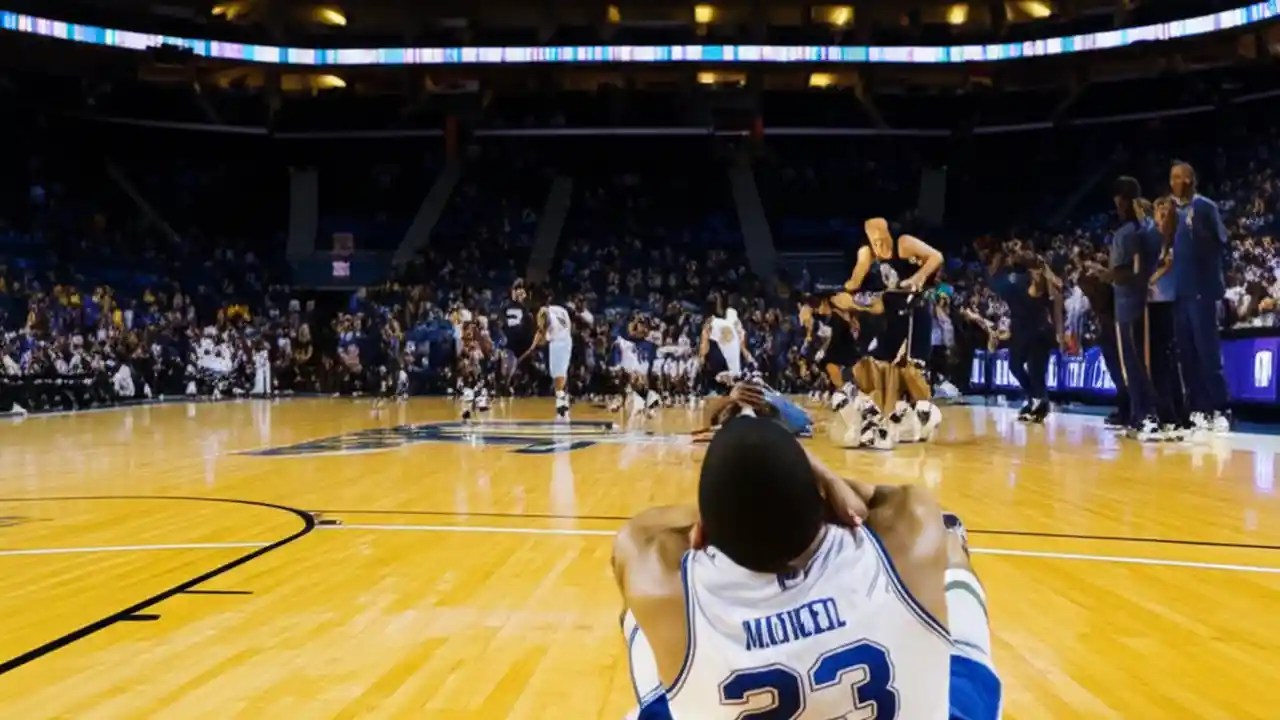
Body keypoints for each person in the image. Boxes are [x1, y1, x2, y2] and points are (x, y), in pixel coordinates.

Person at [613, 417, 1001, 720]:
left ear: (701, 531)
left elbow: (636, 537)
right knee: (949, 542)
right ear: (820, 502)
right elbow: (879, 501)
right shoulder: (908, 530)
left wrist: (727, 505)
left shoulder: (661, 583)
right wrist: (826, 476)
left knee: (640, 617)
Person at [1169, 161, 1231, 434]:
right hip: (1179, 292)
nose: (1175, 182)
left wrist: (1200, 232)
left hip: (1202, 291)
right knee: (1187, 355)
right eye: (1172, 178)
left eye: (1180, 177)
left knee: (1208, 353)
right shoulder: (1171, 211)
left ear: (1192, 180)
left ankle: (1221, 408)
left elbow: (1221, 242)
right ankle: (1198, 409)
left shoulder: (1205, 206)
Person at [1108, 178, 1164, 441]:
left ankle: (1146, 415)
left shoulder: (1126, 234)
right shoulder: (1153, 230)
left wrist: (1104, 274)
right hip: (1144, 305)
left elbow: (1125, 273)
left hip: (1130, 305)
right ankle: (1145, 414)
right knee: (1144, 364)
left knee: (1136, 365)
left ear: (1122, 200)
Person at [1148, 196, 1190, 438]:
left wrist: (1151, 278)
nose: (1161, 217)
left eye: (1166, 213)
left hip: (1170, 304)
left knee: (1167, 363)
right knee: (1161, 363)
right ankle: (1170, 413)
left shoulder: (1177, 243)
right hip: (1153, 305)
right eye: (1158, 213)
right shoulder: (1154, 242)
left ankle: (1173, 415)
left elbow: (1166, 271)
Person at [519, 286, 576, 419]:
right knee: (561, 372)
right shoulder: (561, 310)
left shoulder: (542, 312)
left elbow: (541, 332)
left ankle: (561, 403)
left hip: (557, 342)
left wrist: (533, 346)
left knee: (557, 374)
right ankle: (563, 399)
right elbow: (569, 326)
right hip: (567, 340)